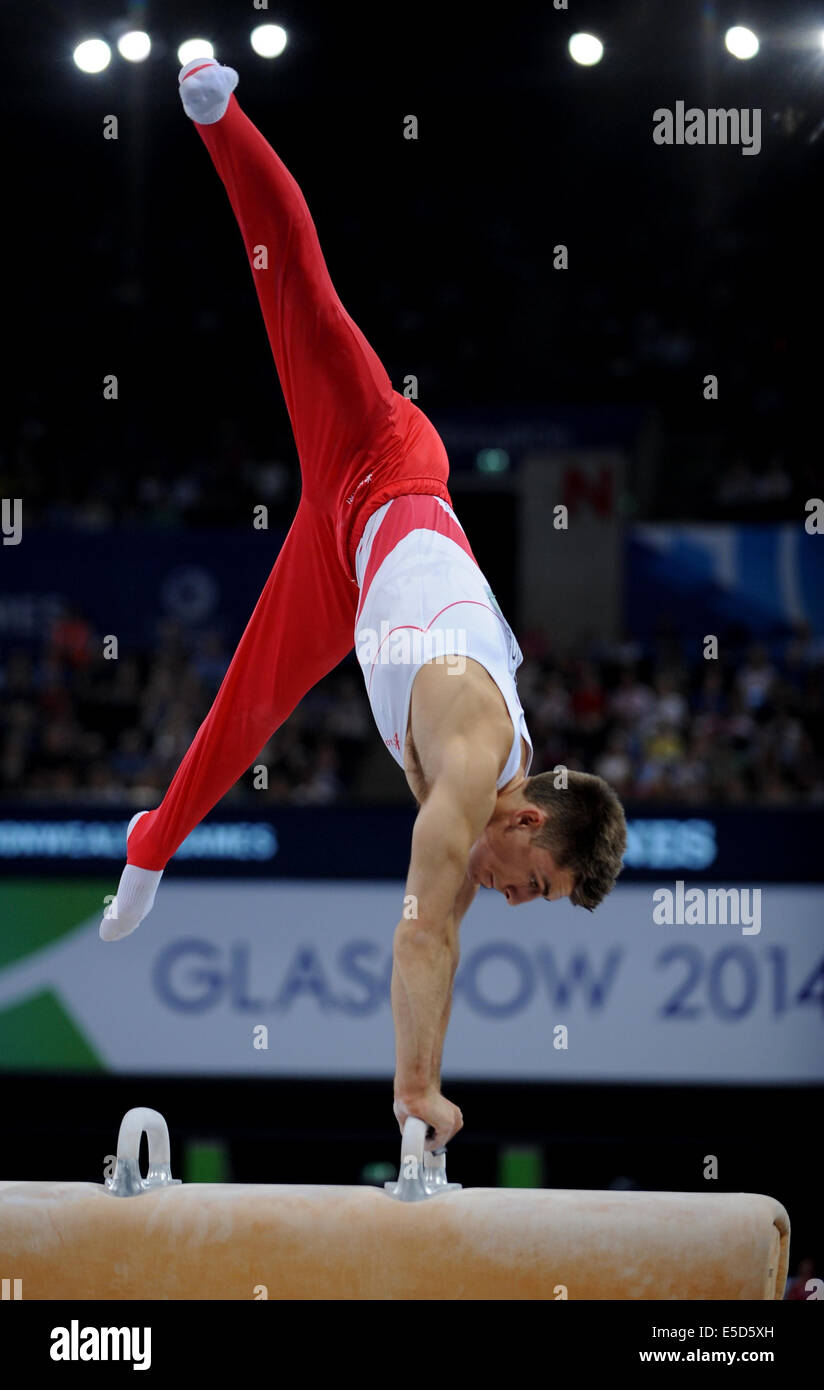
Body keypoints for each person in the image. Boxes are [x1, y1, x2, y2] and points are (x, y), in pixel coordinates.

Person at [100, 59, 627, 1148]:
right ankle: (216, 113)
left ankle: (150, 843)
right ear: (526, 820)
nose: (513, 898)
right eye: (533, 887)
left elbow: (446, 925)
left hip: (347, 571)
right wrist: (413, 1094)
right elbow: (421, 934)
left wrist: (423, 1083)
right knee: (297, 283)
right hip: (382, 462)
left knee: (238, 717)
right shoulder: (477, 763)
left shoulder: (490, 818)